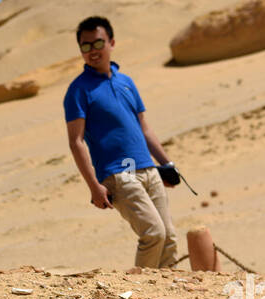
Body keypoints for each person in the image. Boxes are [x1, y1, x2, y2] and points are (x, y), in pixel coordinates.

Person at [64, 16, 179, 269]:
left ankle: (169, 298)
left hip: (149, 169)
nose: (92, 51)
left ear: (112, 42)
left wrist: (167, 163)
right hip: (118, 174)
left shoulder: (126, 82)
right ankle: (142, 294)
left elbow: (144, 129)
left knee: (169, 238)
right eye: (85, 46)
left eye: (98, 43)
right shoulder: (78, 90)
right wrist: (94, 186)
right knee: (153, 234)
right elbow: (76, 142)